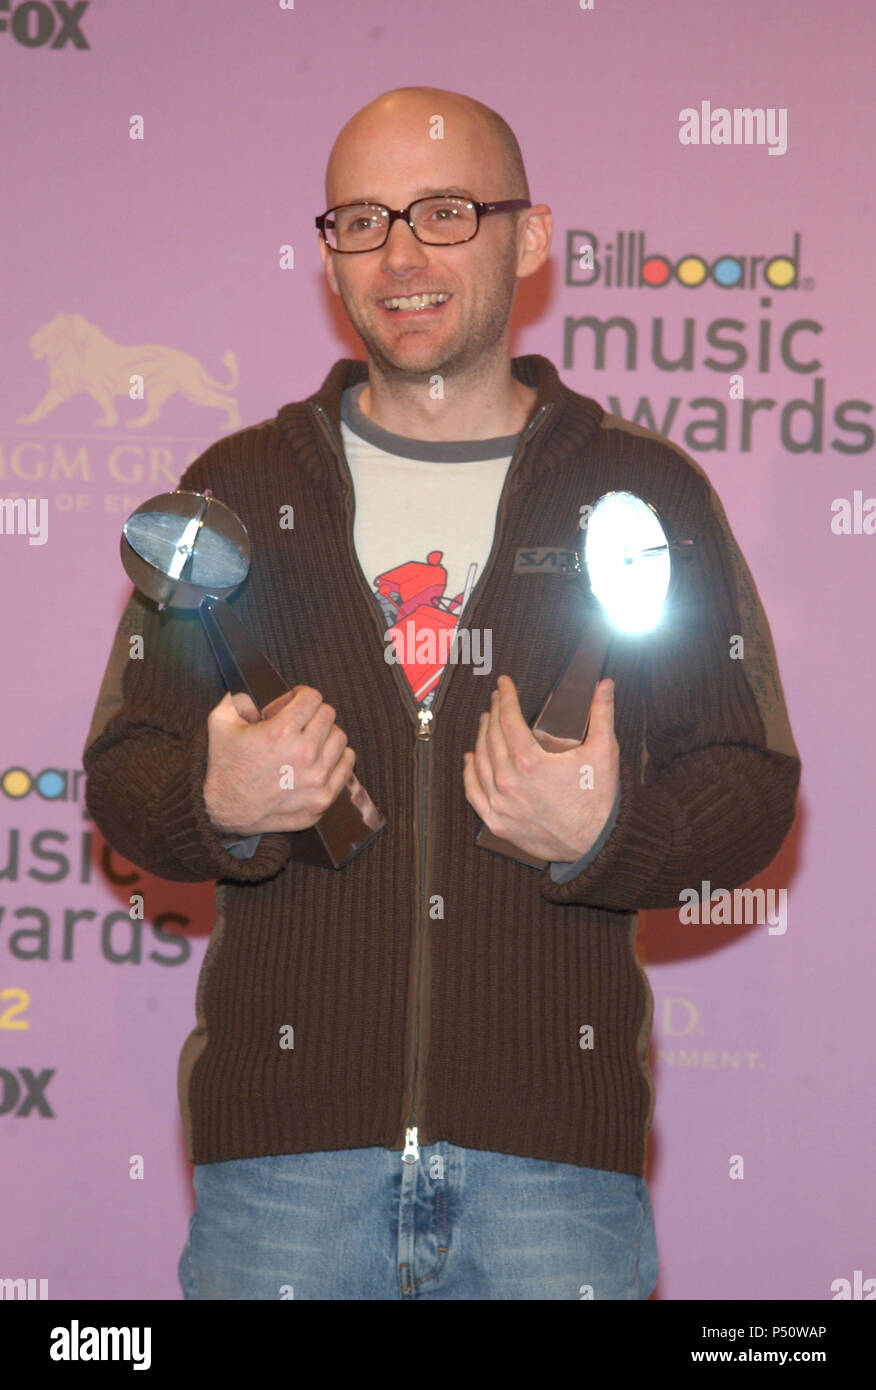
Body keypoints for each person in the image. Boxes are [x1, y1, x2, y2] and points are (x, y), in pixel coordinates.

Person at [82, 86, 801, 1301]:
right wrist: (217, 801)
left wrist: (612, 831)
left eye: (445, 212)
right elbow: (125, 764)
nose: (402, 255)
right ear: (330, 256)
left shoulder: (643, 491)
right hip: (284, 1177)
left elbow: (750, 780)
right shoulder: (238, 489)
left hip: (553, 1178)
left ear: (530, 237)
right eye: (363, 220)